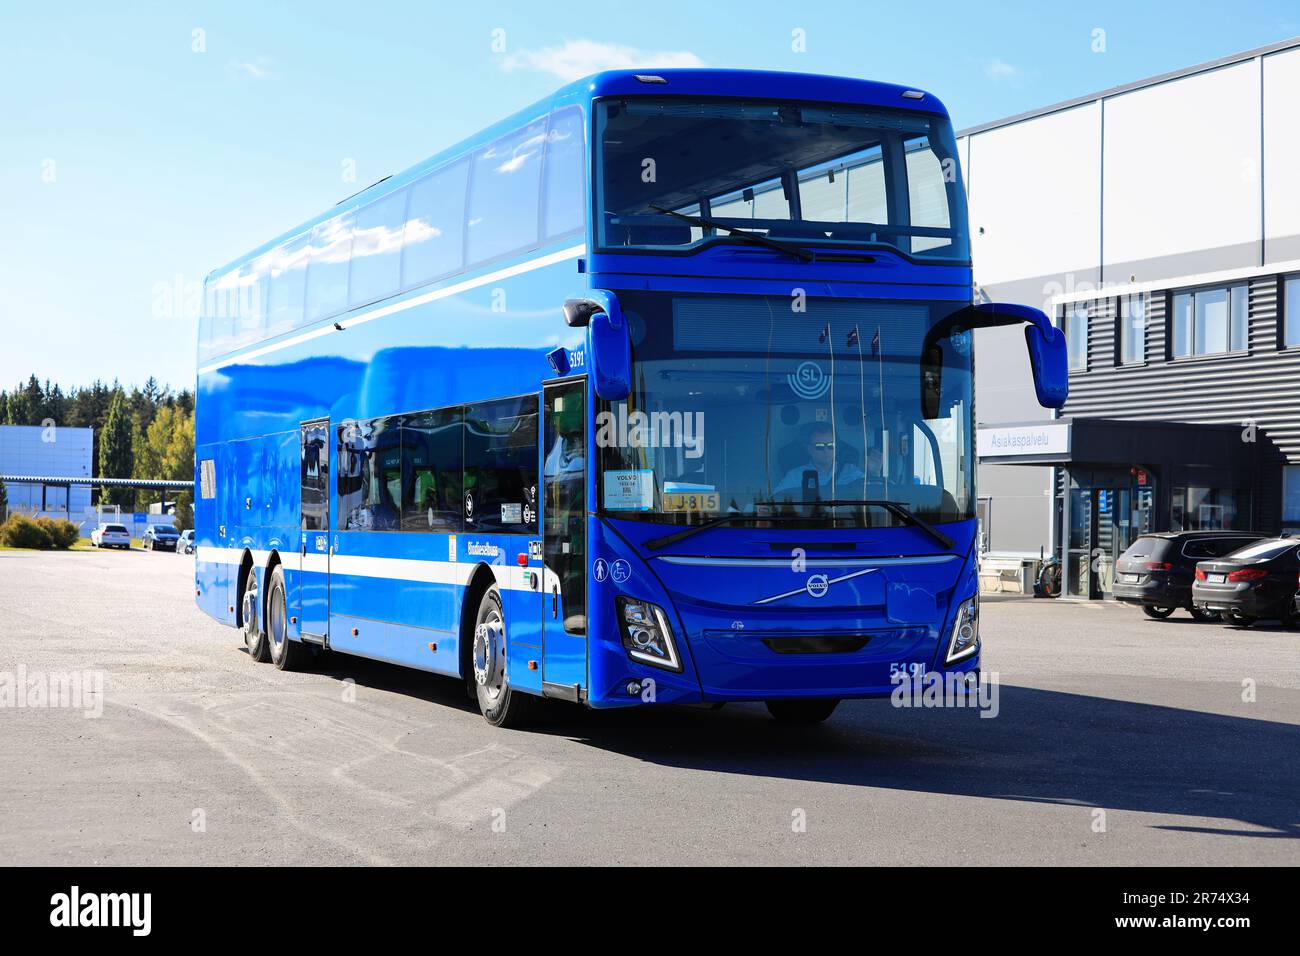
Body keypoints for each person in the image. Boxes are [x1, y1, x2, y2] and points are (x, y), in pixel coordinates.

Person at [773, 424, 865, 498]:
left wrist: (874, 473)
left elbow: (870, 495)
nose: (826, 450)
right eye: (819, 446)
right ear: (808, 449)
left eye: (830, 445)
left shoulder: (851, 471)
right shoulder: (795, 476)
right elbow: (775, 500)